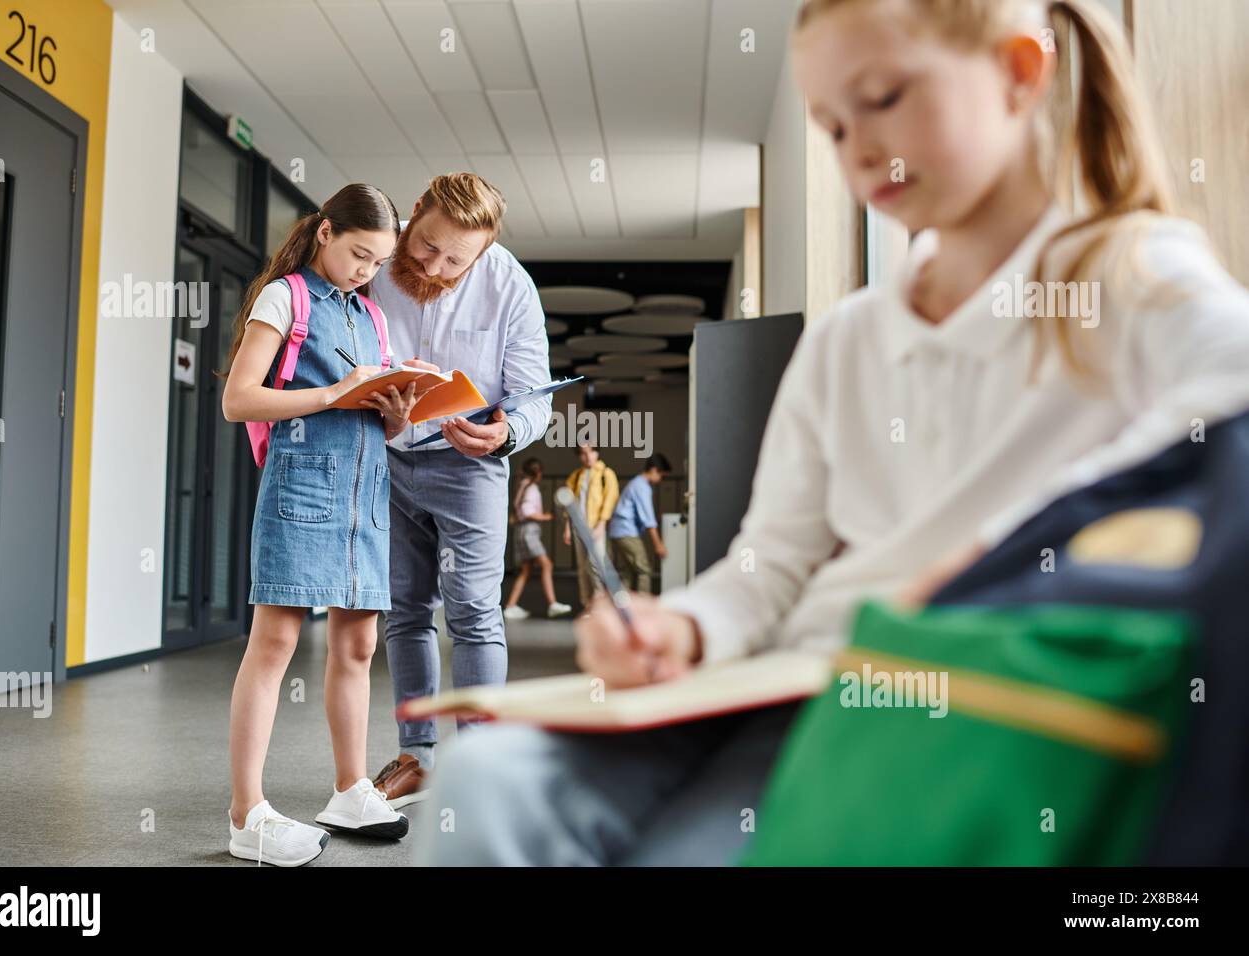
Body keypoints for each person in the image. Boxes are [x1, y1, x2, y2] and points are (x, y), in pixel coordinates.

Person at [413, 0, 1249, 865]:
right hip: (784, 678)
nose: (855, 147)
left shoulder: (1131, 277)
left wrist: (1011, 552)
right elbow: (768, 565)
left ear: (1018, 74)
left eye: (884, 97)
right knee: (484, 789)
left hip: (944, 699)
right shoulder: (850, 337)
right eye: (831, 125)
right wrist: (686, 628)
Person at [221, 184, 430, 866]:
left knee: (360, 647)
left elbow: (378, 416)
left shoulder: (373, 317)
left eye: (379, 261)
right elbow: (238, 398)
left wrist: (399, 411)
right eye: (358, 254)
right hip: (302, 488)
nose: (367, 271)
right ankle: (246, 811)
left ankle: (349, 789)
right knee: (275, 643)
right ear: (325, 233)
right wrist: (333, 394)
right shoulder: (286, 297)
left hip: (366, 495)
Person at [369, 173, 552, 810]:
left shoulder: (510, 286)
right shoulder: (373, 260)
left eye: (456, 259)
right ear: (413, 213)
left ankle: (478, 767)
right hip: (382, 458)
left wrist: (506, 432)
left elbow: (531, 397)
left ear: (482, 252)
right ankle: (415, 757)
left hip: (469, 464)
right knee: (405, 609)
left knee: (474, 611)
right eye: (426, 248)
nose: (437, 267)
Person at [504, 458, 572, 620]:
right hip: (529, 531)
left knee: (526, 570)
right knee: (547, 564)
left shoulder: (522, 485)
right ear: (538, 473)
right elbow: (527, 511)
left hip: (522, 531)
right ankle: (552, 604)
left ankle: (510, 606)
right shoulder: (531, 488)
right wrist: (545, 516)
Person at [561, 444, 619, 608]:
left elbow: (610, 500)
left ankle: (601, 603)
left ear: (597, 452)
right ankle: (587, 604)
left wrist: (601, 524)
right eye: (583, 453)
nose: (587, 456)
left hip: (595, 526)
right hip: (578, 527)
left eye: (591, 451)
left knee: (595, 564)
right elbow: (568, 502)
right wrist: (567, 527)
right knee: (581, 567)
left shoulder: (606, 474)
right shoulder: (576, 475)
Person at [607, 453, 672, 594]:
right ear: (654, 470)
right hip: (626, 531)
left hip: (618, 531)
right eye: (662, 476)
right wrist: (658, 545)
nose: (661, 480)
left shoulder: (636, 483)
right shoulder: (642, 487)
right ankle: (643, 607)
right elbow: (649, 520)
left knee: (628, 572)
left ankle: (622, 608)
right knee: (644, 570)